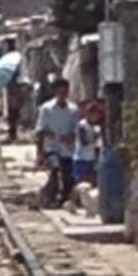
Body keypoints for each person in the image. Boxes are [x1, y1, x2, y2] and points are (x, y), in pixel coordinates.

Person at [34, 78, 80, 206]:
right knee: (55, 169)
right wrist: (40, 152)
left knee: (68, 177)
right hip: (52, 148)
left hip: (68, 150)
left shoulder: (73, 110)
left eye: (65, 92)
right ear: (55, 92)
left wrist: (71, 137)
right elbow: (40, 130)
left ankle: (62, 199)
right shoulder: (46, 109)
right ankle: (50, 196)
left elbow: (77, 129)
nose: (62, 95)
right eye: (60, 92)